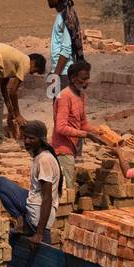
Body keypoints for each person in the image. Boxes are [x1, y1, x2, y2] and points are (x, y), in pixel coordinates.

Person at [0, 120, 63, 246]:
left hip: (37, 213)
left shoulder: (44, 160)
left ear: (41, 140)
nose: (26, 141)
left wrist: (39, 233)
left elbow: (47, 198)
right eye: (24, 137)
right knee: (3, 185)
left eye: (31, 138)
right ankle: (21, 222)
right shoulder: (42, 156)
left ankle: (25, 223)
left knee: (0, 183)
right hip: (37, 206)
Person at [51, 60, 97, 190]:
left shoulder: (81, 95)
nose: (87, 82)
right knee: (67, 190)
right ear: (72, 78)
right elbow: (60, 127)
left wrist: (99, 132)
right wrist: (86, 135)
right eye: (83, 78)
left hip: (72, 148)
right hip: (62, 150)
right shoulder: (64, 97)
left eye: (88, 78)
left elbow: (83, 124)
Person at [46, 0, 84, 85]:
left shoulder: (67, 17)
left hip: (65, 73)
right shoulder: (62, 15)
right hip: (61, 72)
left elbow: (66, 49)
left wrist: (56, 74)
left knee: (62, 101)